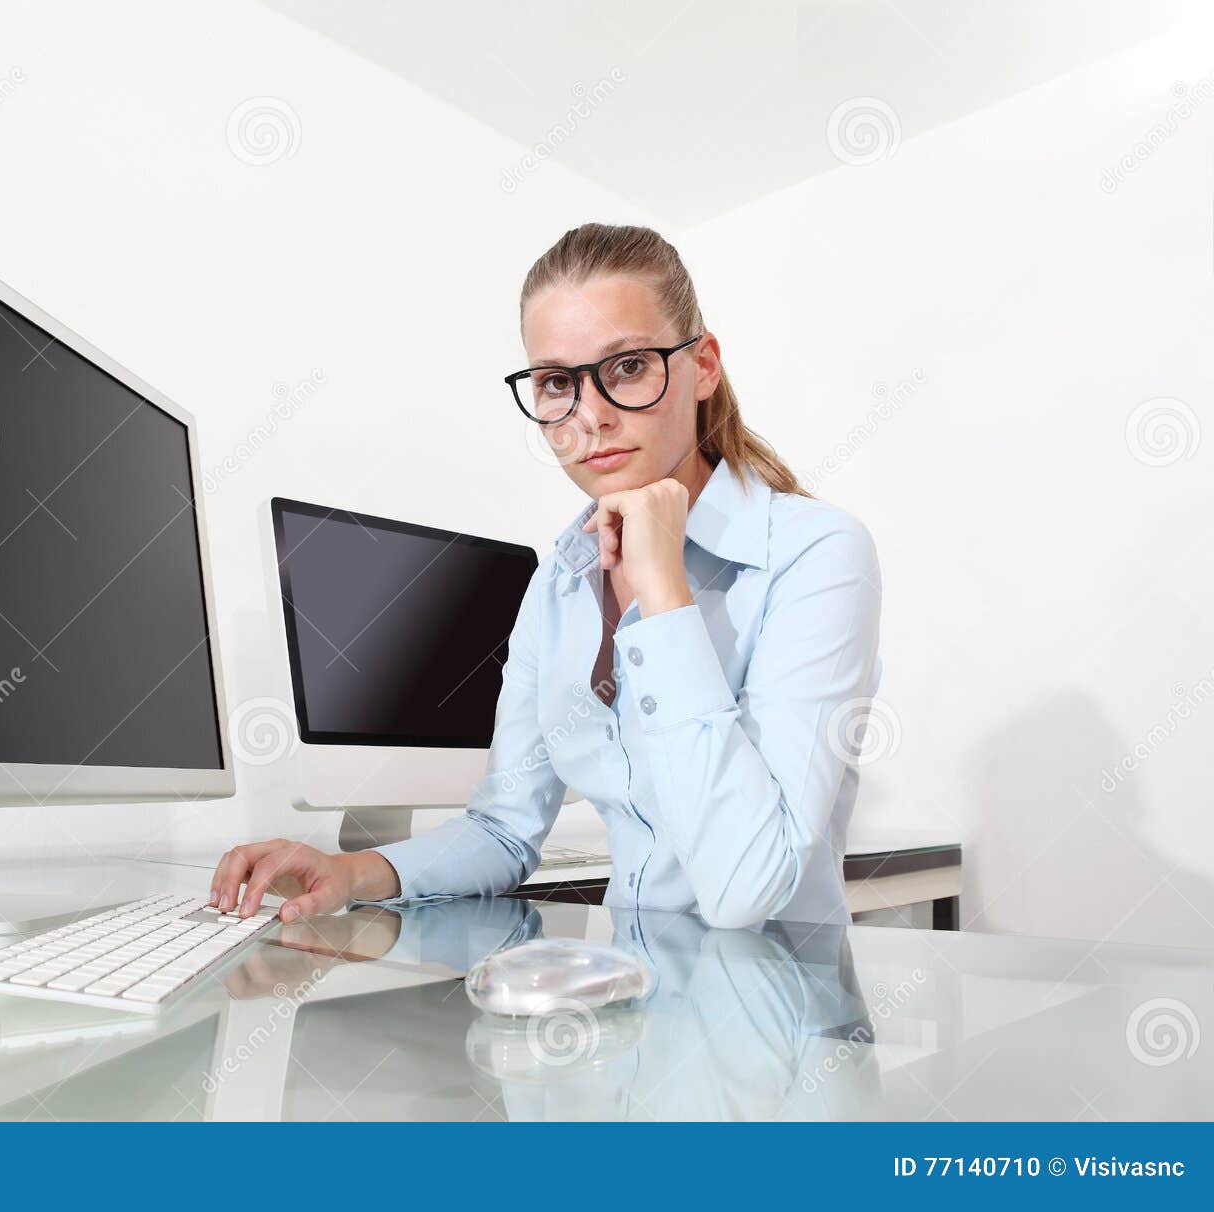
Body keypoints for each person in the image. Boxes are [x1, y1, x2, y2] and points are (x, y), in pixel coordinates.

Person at [210, 222, 882, 929]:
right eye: (558, 383)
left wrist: (664, 593)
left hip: (779, 992)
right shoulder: (560, 585)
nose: (590, 418)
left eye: (629, 367)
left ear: (704, 366)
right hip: (638, 987)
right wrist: (349, 872)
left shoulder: (816, 554)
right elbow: (504, 830)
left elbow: (749, 886)